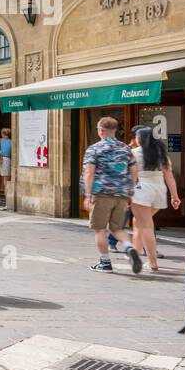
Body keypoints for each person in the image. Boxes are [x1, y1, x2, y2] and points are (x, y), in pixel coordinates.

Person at [80, 116, 143, 274]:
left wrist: (87, 195)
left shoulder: (94, 149)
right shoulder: (125, 149)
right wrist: (130, 191)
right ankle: (129, 248)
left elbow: (89, 172)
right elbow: (134, 171)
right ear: (115, 131)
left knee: (99, 229)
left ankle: (105, 262)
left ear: (101, 130)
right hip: (121, 193)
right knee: (117, 228)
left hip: (102, 194)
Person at [128, 126, 181, 272]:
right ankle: (136, 253)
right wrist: (175, 196)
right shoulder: (162, 154)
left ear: (140, 139)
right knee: (138, 222)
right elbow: (169, 176)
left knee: (146, 226)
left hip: (142, 191)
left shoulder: (133, 153)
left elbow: (132, 176)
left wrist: (127, 193)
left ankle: (152, 263)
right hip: (159, 190)